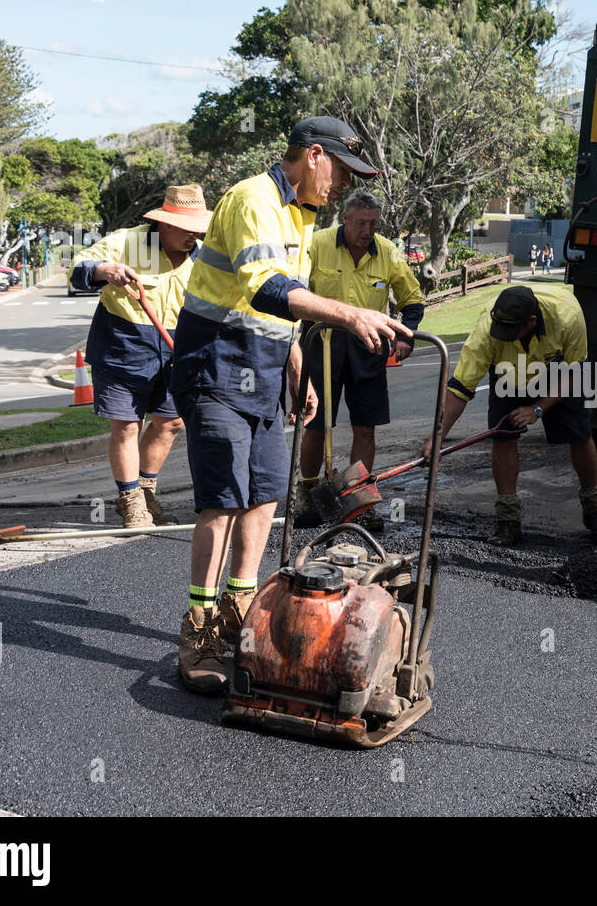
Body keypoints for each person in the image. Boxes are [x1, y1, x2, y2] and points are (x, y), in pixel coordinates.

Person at [169, 116, 411, 695]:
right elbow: (267, 288)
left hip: (264, 367)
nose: (340, 184)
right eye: (340, 169)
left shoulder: (304, 217)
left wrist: (298, 371)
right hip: (216, 365)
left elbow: (283, 313)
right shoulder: (252, 198)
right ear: (311, 155)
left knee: (266, 491)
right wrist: (351, 313)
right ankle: (199, 628)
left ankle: (240, 605)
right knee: (223, 499)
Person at [423, 284, 597, 547]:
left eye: (510, 332)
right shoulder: (487, 331)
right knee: (503, 436)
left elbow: (575, 372)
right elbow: (460, 388)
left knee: (580, 434)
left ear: (532, 322)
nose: (503, 336)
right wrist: (437, 438)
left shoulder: (567, 315)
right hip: (508, 372)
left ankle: (594, 511)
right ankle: (508, 520)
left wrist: (537, 409)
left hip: (557, 372)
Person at [69, 185, 211, 528]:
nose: (194, 235)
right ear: (164, 223)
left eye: (198, 229)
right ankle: (131, 501)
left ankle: (146, 491)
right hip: (123, 346)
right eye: (187, 228)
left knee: (171, 422)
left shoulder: (204, 256)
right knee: (128, 426)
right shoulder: (130, 242)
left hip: (176, 350)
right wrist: (106, 271)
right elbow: (77, 267)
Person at [295, 188, 426, 530]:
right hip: (319, 340)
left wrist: (404, 334)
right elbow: (291, 292)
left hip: (368, 346)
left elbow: (413, 301)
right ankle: (307, 494)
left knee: (365, 427)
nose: (368, 231)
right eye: (362, 223)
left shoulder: (387, 252)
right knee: (315, 423)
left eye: (373, 223)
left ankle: (359, 499)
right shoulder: (318, 243)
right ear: (346, 219)